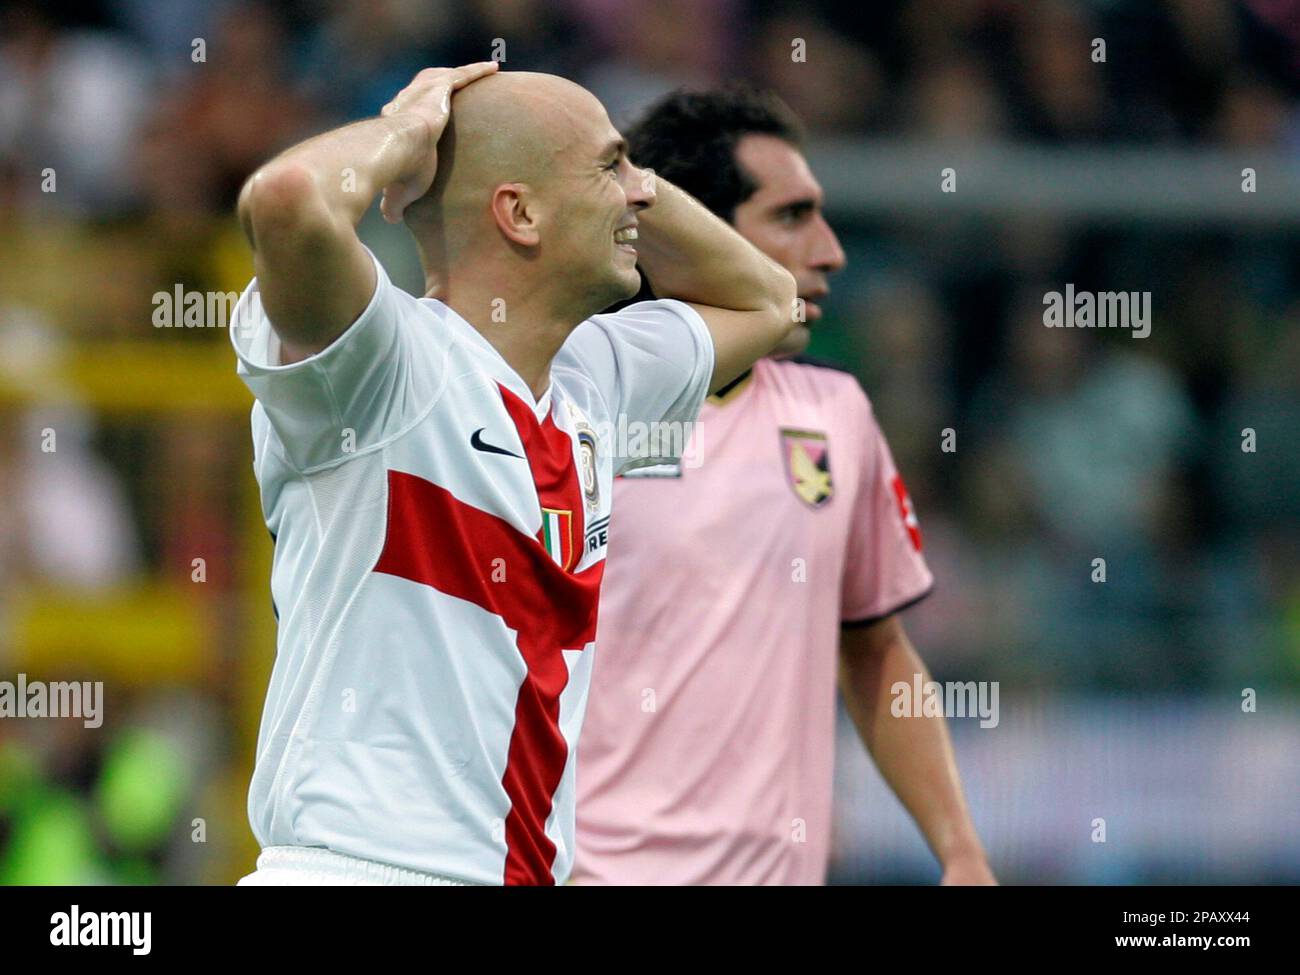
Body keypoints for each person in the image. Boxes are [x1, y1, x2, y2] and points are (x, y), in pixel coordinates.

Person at [228, 64, 796, 886]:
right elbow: (287, 200)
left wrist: (625, 175)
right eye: (611, 167)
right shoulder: (383, 365)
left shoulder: (595, 384)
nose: (642, 193)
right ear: (520, 213)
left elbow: (770, 303)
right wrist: (406, 133)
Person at [573, 87, 995, 885]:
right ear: (694, 231)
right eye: (792, 217)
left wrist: (961, 850)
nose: (830, 252)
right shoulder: (573, 402)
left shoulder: (835, 414)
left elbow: (875, 649)